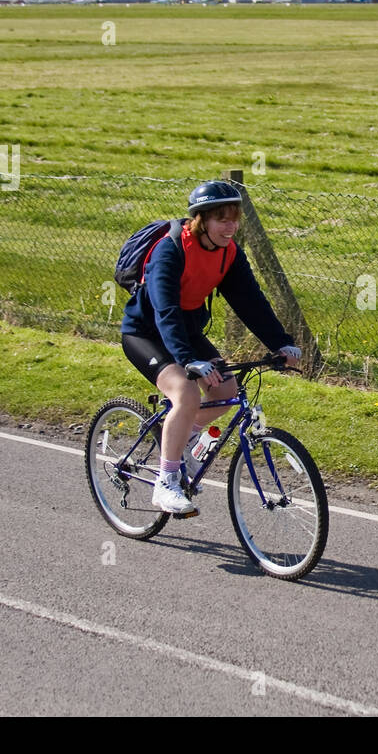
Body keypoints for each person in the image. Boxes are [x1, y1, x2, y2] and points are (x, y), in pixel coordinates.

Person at [120, 180, 301, 515]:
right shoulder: (171, 249)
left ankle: (178, 436)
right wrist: (188, 360)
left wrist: (281, 342)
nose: (230, 226)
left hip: (185, 333)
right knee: (186, 394)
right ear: (201, 219)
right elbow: (165, 310)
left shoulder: (228, 253)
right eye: (222, 219)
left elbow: (251, 303)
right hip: (145, 332)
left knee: (226, 389)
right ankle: (166, 482)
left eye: (234, 218)